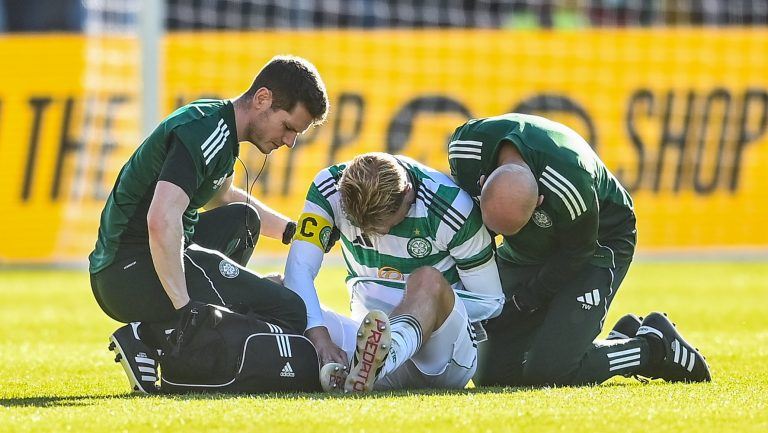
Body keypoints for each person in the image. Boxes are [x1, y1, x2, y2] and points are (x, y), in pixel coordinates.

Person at [89, 55, 329, 393]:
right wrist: (188, 312)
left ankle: (152, 334)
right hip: (129, 272)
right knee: (289, 309)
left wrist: (291, 231)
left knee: (245, 220)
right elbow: (161, 220)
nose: (289, 141)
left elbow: (225, 196)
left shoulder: (215, 126)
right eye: (289, 127)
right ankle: (166, 335)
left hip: (130, 267)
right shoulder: (206, 131)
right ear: (263, 99)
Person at [447, 113, 711, 386]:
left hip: (595, 244)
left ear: (539, 201)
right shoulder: (465, 151)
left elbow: (575, 255)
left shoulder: (571, 183)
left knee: (551, 373)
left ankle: (653, 347)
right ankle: (611, 343)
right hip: (524, 250)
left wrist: (525, 301)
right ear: (481, 183)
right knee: (491, 374)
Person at [283, 152, 505, 392]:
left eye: (386, 223)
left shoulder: (449, 205)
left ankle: (385, 356)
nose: (377, 233)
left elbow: (490, 302)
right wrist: (320, 338)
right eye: (364, 228)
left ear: (408, 192)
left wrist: (422, 306)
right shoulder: (329, 188)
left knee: (427, 279)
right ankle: (319, 370)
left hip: (440, 359)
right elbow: (299, 268)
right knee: (276, 291)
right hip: (365, 346)